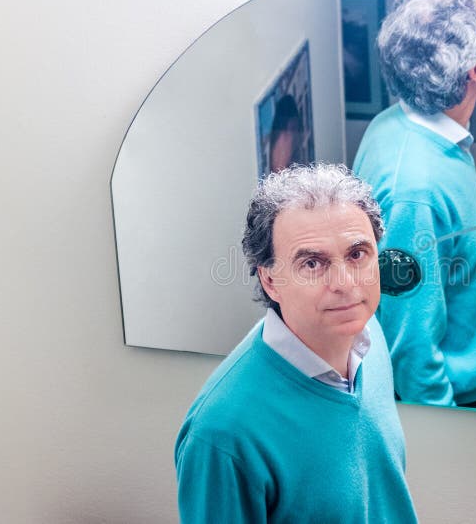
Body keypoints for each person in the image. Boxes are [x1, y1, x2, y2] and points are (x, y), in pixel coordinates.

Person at [175, 164, 418, 523]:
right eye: (312, 263)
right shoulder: (222, 435)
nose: (345, 283)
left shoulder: (369, 336)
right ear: (271, 280)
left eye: (356, 254)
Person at [353, 0, 476, 407]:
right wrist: (443, 438)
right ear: (474, 69)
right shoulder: (414, 190)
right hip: (457, 401)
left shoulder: (396, 123)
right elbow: (412, 350)